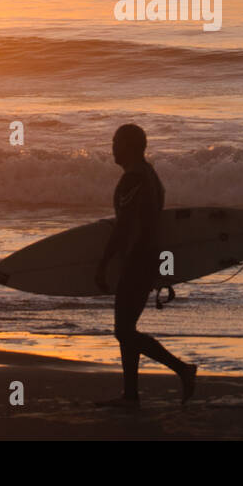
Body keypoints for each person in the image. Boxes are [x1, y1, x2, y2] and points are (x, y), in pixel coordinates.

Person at [94, 124, 196, 408]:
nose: (112, 147)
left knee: (123, 331)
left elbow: (125, 227)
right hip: (148, 257)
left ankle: (182, 369)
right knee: (126, 327)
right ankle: (130, 395)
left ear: (129, 145)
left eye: (115, 142)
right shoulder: (150, 175)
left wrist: (103, 264)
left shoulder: (133, 179)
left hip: (138, 259)